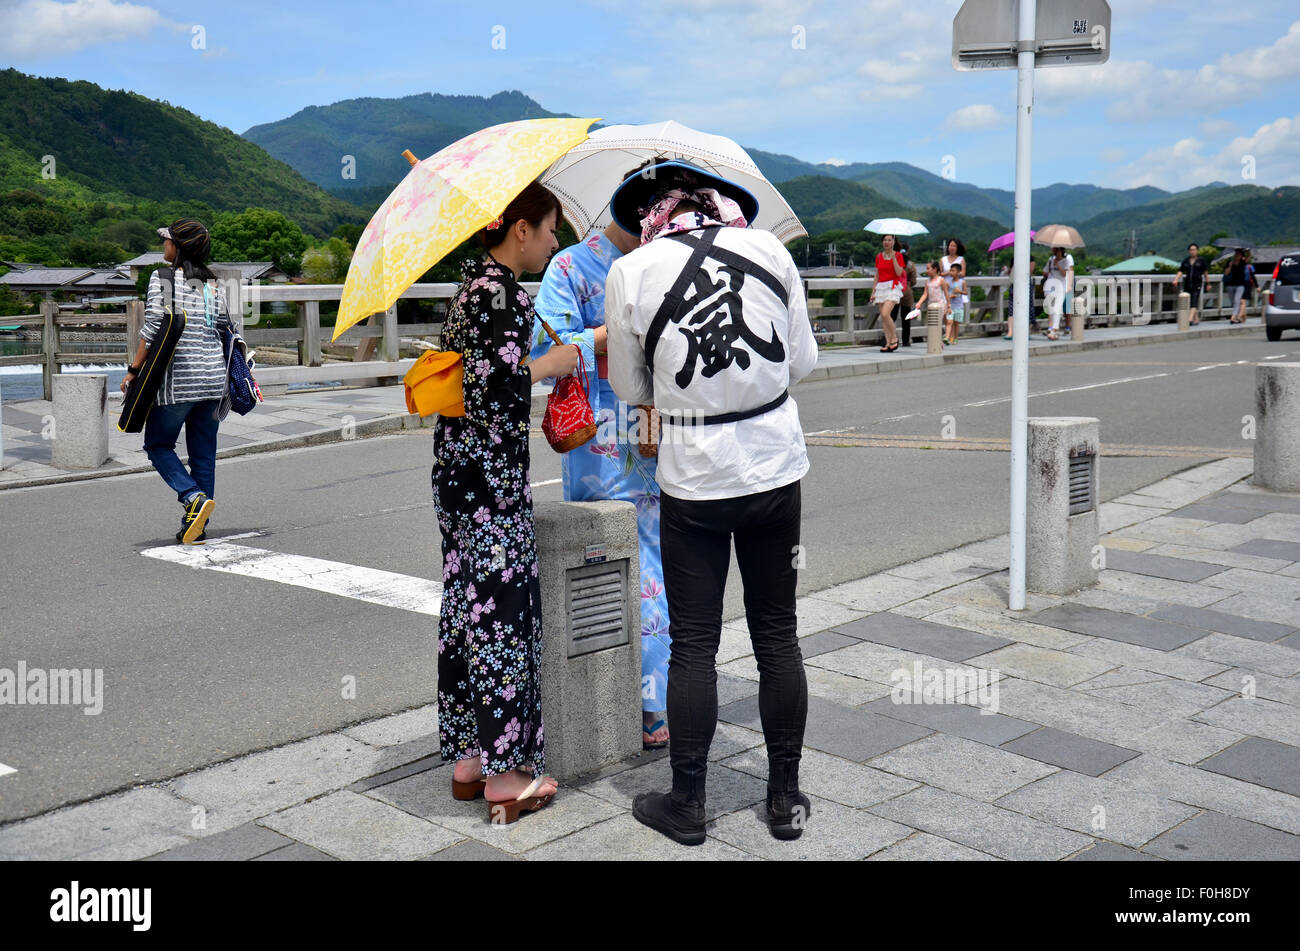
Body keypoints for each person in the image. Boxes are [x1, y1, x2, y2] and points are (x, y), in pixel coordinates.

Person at [604, 160, 818, 845]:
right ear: (722, 202)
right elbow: (802, 362)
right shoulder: (769, 250)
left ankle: (689, 802)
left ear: (651, 213)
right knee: (776, 632)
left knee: (694, 642)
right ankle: (784, 799)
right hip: (775, 465)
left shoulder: (632, 271)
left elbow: (629, 383)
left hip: (694, 475)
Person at [432, 181, 580, 823]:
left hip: (456, 473)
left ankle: (469, 758)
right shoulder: (503, 295)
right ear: (519, 228)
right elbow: (499, 393)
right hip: (492, 480)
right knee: (503, 617)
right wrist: (555, 363)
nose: (554, 241)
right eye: (549, 229)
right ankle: (508, 775)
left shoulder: (470, 288)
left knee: (467, 604)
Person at [529, 169, 671, 751]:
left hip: (649, 429)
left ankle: (649, 699)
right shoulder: (572, 267)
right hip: (603, 432)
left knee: (653, 558)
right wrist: (619, 332)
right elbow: (547, 352)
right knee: (613, 557)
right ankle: (630, 697)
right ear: (645, 219)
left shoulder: (646, 268)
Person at [124, 219, 230, 544]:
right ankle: (196, 525)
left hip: (178, 383)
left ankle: (191, 497)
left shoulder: (163, 278)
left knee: (157, 444)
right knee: (203, 454)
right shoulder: (215, 285)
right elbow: (225, 328)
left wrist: (134, 369)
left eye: (167, 241)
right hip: (214, 381)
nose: (163, 246)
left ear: (179, 246)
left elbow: (154, 326)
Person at [872, 234, 905, 352]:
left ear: (893, 242)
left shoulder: (898, 255)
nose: (887, 242)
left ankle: (894, 338)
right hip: (881, 287)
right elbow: (877, 275)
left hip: (892, 286)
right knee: (884, 317)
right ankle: (888, 342)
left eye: (889, 240)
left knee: (886, 314)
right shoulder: (879, 256)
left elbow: (899, 272)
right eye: (885, 240)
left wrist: (894, 258)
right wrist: (873, 291)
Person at [1043, 246, 1074, 341]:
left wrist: (1057, 264)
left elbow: (1064, 274)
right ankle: (1053, 329)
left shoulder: (1066, 260)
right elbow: (1045, 271)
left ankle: (1054, 330)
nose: (1054, 251)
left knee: (1058, 308)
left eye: (1056, 249)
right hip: (1050, 286)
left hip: (1060, 287)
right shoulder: (1050, 259)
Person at [1174, 243, 1208, 324]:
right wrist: (1176, 279)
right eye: (1191, 250)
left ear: (1197, 251)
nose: (1192, 251)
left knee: (1194, 301)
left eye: (1194, 250)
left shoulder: (1201, 261)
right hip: (1188, 283)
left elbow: (1205, 272)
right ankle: (1196, 319)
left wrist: (1208, 283)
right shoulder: (1186, 261)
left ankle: (1189, 319)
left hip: (1197, 284)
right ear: (1189, 251)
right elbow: (1181, 271)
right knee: (1189, 301)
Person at [916, 260, 950, 336]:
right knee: (932, 324)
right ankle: (935, 339)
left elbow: (946, 293)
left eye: (928, 268)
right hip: (931, 305)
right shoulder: (927, 281)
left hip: (940, 304)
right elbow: (925, 294)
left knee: (937, 323)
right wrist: (919, 303)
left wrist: (948, 305)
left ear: (935, 269)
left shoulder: (941, 280)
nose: (927, 270)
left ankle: (938, 340)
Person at [940, 238, 969, 322]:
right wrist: (948, 273)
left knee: (955, 317)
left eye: (953, 246)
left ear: (957, 248)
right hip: (945, 289)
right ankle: (947, 333)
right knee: (946, 314)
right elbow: (939, 273)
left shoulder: (961, 259)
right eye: (950, 245)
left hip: (956, 289)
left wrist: (955, 273)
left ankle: (951, 334)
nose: (951, 247)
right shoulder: (943, 259)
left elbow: (963, 273)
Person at [896, 242, 918, 347]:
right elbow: (914, 281)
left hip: (894, 289)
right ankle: (905, 341)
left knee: (892, 317)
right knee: (906, 318)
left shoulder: (895, 262)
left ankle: (891, 339)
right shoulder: (910, 264)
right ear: (908, 251)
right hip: (906, 291)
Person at [1224, 248, 1250, 323]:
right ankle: (1243, 315)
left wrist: (1248, 251)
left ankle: (1233, 317)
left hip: (1240, 285)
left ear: (1241, 255)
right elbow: (1226, 273)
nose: (1237, 255)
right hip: (1230, 285)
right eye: (1236, 254)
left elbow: (1249, 256)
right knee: (1233, 302)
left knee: (1237, 300)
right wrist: (1229, 266)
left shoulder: (1243, 262)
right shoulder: (1230, 262)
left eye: (1239, 254)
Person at [944, 261, 967, 345]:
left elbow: (966, 292)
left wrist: (960, 291)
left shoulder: (962, 282)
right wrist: (950, 297)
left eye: (953, 271)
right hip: (950, 305)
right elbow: (946, 294)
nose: (951, 272)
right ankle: (947, 337)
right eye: (950, 270)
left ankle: (955, 338)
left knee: (956, 324)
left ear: (958, 272)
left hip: (959, 305)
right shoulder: (948, 283)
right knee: (949, 322)